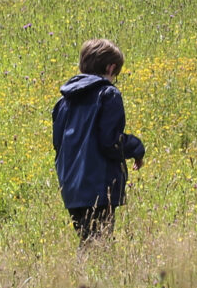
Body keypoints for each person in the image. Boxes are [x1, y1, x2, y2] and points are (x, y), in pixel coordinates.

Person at [52, 38, 146, 244]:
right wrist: (136, 147)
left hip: (71, 187)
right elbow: (109, 142)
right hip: (98, 186)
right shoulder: (108, 94)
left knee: (89, 241)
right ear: (111, 68)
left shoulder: (63, 101)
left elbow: (58, 145)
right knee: (98, 246)